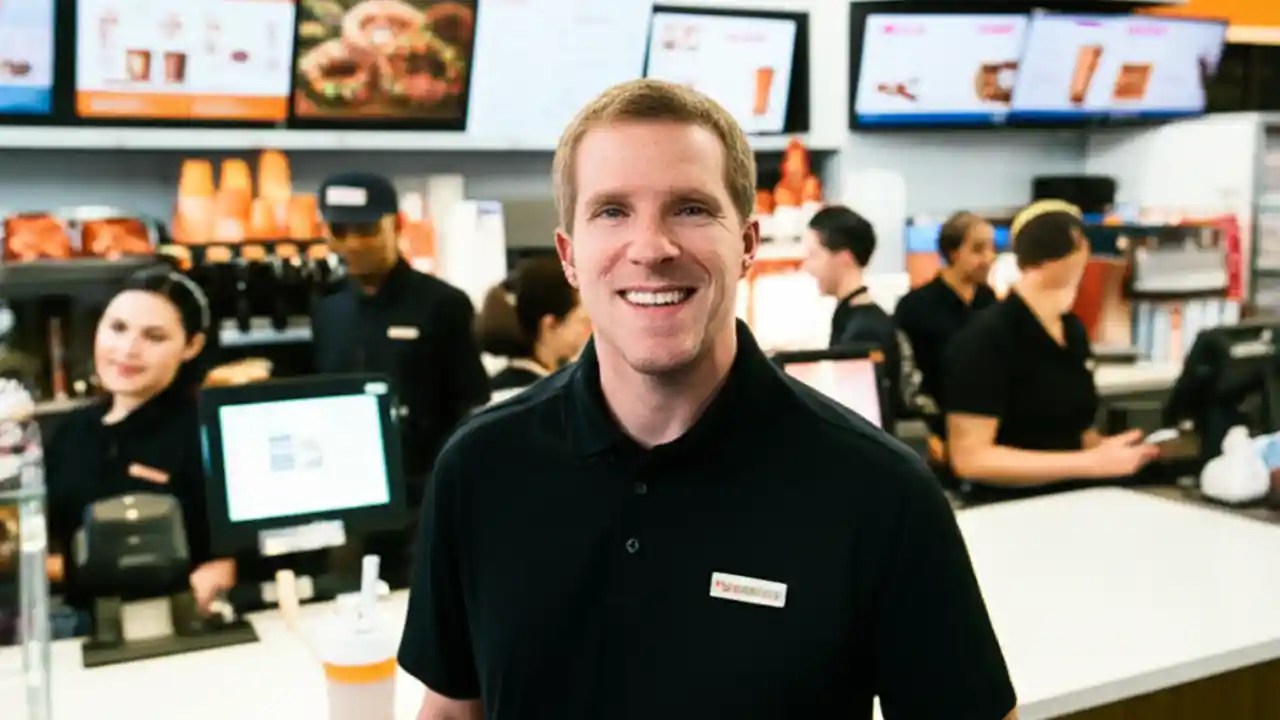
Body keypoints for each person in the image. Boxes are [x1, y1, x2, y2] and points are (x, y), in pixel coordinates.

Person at [398, 79, 1017, 720]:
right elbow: (450, 710)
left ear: (747, 244)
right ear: (569, 256)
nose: (652, 248)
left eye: (691, 208)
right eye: (612, 211)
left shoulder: (880, 492)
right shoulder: (479, 469)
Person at [45, 267, 235, 616]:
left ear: (191, 346)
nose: (128, 349)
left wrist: (228, 570)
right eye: (117, 328)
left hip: (186, 629)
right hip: (85, 633)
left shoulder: (211, 432)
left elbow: (259, 547)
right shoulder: (71, 431)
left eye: (154, 337)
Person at [943, 200, 1159, 503]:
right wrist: (1092, 464)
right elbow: (971, 459)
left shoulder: (1072, 331)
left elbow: (1072, 432)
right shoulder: (987, 337)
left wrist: (1109, 450)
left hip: (1073, 500)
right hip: (1010, 508)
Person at [311, 171, 490, 506]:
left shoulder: (442, 304)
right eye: (339, 231)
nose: (352, 243)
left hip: (425, 492)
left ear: (397, 225)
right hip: (345, 490)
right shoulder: (326, 308)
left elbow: (470, 405)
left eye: (366, 230)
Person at [894, 210, 998, 432]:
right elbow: (903, 380)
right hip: (936, 427)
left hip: (990, 426)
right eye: (978, 249)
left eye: (992, 248)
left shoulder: (990, 301)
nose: (989, 258)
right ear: (953, 252)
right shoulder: (915, 306)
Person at [800, 205, 903, 420]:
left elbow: (858, 416)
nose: (807, 267)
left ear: (844, 257)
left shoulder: (864, 330)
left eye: (814, 255)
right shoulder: (857, 317)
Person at [476, 255, 592, 403]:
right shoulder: (539, 397)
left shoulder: (495, 388)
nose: (589, 329)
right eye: (581, 320)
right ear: (550, 325)